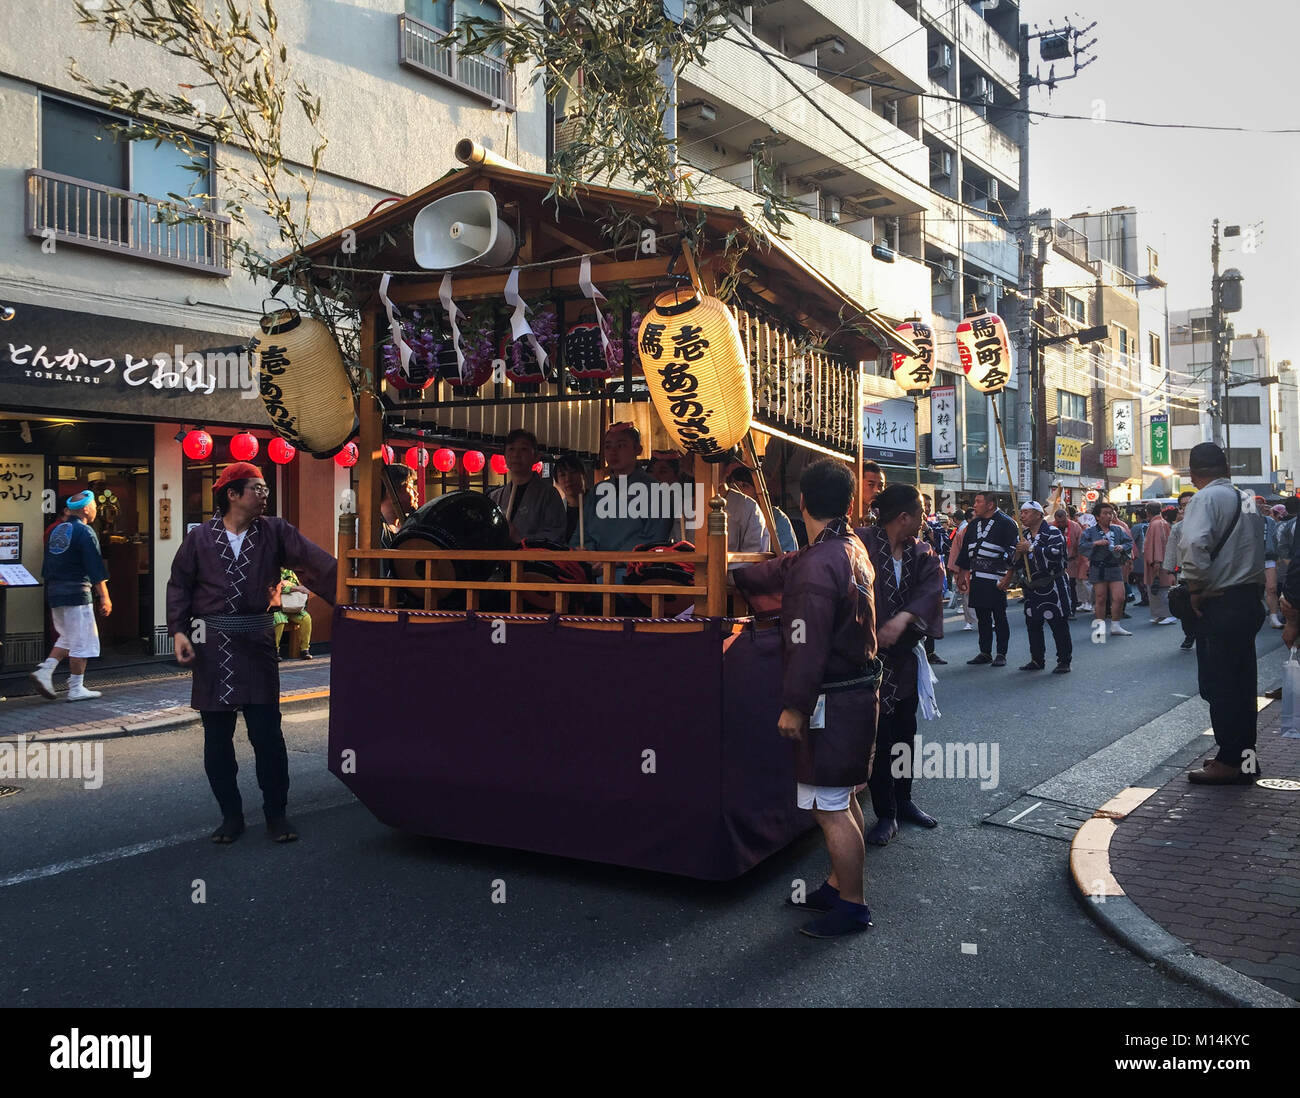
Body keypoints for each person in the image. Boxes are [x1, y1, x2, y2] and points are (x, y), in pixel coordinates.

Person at [732, 460, 879, 938]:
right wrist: (739, 574)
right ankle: (840, 886)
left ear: (801, 503)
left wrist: (795, 704)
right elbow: (787, 566)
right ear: (850, 503)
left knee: (827, 806)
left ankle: (852, 906)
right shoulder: (850, 547)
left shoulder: (821, 561)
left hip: (831, 700)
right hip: (856, 694)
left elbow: (807, 643)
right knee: (843, 795)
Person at [167, 461, 337, 843]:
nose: (265, 494)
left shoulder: (275, 531)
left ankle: (277, 814)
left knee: (267, 735)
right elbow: (179, 584)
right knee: (216, 738)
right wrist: (179, 631)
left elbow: (316, 565)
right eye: (257, 488)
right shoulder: (199, 538)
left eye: (265, 488)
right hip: (211, 647)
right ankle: (231, 816)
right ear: (232, 494)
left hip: (258, 645)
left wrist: (356, 597)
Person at [856, 484, 944, 844]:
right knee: (881, 738)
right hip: (869, 659)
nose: (924, 521)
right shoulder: (860, 543)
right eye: (921, 513)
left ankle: (905, 800)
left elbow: (932, 587)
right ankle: (885, 813)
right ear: (904, 516)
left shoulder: (921, 552)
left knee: (906, 734)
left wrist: (904, 618)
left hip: (904, 657)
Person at [1179, 443, 1266, 785]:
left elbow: (1194, 544)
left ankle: (1229, 760)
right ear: (1227, 467)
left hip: (1221, 599)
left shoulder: (1204, 499)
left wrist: (1196, 588)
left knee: (1220, 684)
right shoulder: (1247, 500)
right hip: (1248, 599)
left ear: (1192, 473)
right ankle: (1246, 759)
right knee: (1243, 684)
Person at [31, 491, 111, 702]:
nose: (96, 509)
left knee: (67, 636)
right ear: (85, 509)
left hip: (55, 591)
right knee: (82, 640)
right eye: (94, 505)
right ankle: (76, 687)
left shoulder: (58, 529)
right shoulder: (84, 531)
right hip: (77, 593)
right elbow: (94, 566)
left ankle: (45, 670)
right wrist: (104, 596)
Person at [571, 423, 674, 552]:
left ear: (638, 449)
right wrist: (590, 556)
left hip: (632, 567)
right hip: (593, 565)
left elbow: (655, 539)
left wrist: (615, 561)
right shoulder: (596, 492)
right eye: (608, 447)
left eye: (621, 445)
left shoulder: (657, 492)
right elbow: (581, 536)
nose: (613, 452)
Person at [1006, 501, 1072, 673]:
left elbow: (1056, 554)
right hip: (1032, 587)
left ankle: (1064, 660)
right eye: (1021, 513)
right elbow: (1011, 561)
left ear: (1038, 514)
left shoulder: (1053, 532)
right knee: (1033, 624)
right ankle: (1037, 659)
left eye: (1026, 512)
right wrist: (1018, 553)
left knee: (1058, 624)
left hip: (1052, 584)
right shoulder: (1023, 535)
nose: (1022, 516)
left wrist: (1032, 548)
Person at [955, 491, 1018, 666]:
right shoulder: (973, 525)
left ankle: (1001, 653)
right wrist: (961, 574)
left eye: (978, 502)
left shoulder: (1007, 524)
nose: (974, 505)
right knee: (982, 616)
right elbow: (966, 551)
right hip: (977, 577)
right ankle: (985, 651)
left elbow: (1014, 553)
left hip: (996, 578)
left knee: (999, 616)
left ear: (990, 504)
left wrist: (1008, 577)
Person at [489, 429, 567, 543]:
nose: (516, 455)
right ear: (505, 457)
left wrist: (520, 539)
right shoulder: (495, 497)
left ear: (536, 457)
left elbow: (555, 534)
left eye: (524, 449)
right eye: (511, 449)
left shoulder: (548, 494)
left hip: (532, 560)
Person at [1079, 501, 1134, 637]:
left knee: (1119, 597)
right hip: (1098, 566)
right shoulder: (1090, 531)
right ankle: (1100, 627)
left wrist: (1122, 547)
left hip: (1114, 566)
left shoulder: (1117, 529)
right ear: (1097, 517)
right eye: (1105, 513)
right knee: (1101, 598)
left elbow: (1129, 542)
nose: (1109, 516)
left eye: (1110, 513)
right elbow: (1081, 546)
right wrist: (1095, 543)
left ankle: (1116, 625)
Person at [727, 465, 797, 552]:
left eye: (744, 485)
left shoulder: (776, 518)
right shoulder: (727, 515)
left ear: (758, 490)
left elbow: (787, 557)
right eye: (733, 485)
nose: (738, 490)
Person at [1142, 502, 1177, 625]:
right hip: (1158, 561)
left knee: (1161, 588)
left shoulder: (1157, 524)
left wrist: (1157, 561)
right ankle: (1160, 615)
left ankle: (1167, 614)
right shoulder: (1160, 522)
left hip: (1157, 563)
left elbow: (1158, 544)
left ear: (1148, 511)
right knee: (1157, 589)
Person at [272, 567, 313, 660]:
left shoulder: (290, 572)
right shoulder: (271, 571)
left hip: (292, 605)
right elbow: (275, 588)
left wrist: (289, 585)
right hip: (278, 606)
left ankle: (304, 649)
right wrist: (293, 587)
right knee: (279, 620)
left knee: (306, 618)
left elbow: (299, 587)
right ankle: (275, 650)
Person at [947, 509, 977, 630]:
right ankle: (969, 621)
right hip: (966, 567)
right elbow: (956, 550)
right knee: (966, 596)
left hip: (981, 567)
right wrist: (956, 569)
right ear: (969, 519)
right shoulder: (961, 532)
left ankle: (986, 619)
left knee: (982, 595)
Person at [1258, 496, 1283, 629]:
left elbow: (1275, 539)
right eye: (1256, 503)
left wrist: (1277, 556)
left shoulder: (1269, 521)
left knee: (1272, 588)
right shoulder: (1245, 521)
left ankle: (1273, 616)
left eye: (1261, 503)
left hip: (1269, 556)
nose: (1259, 505)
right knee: (1252, 589)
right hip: (1251, 559)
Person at [554, 453, 586, 543]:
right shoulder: (557, 512)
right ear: (557, 481)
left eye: (573, 472)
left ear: (583, 474)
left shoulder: (598, 505)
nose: (568, 479)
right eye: (562, 475)